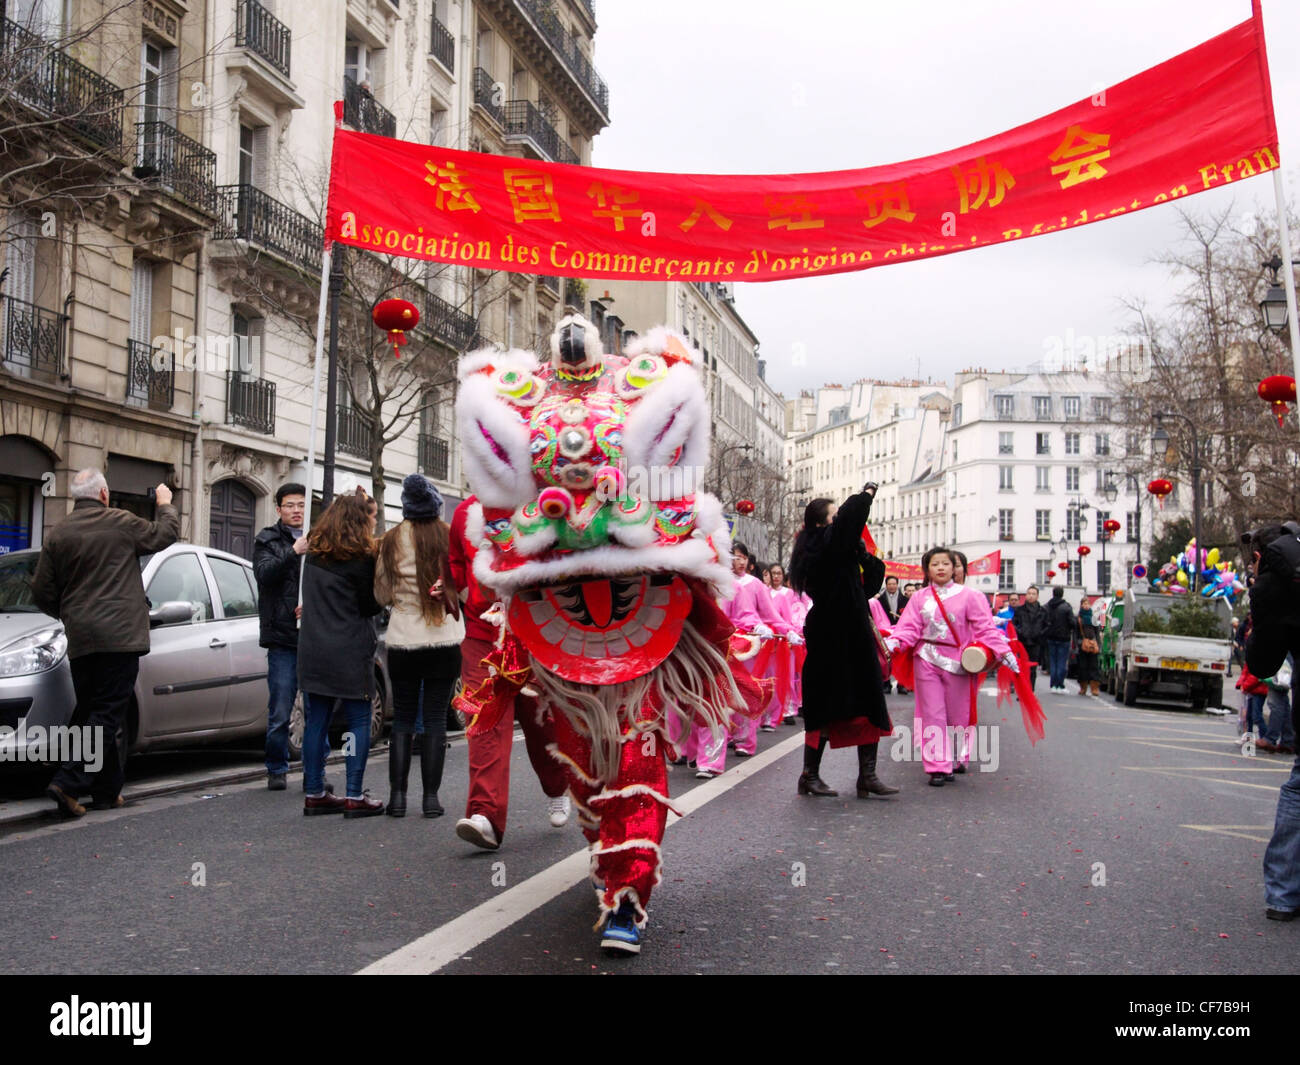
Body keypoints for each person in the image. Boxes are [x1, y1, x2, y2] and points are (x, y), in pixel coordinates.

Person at [31, 468, 179, 816]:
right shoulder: (120, 522)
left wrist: (68, 613)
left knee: (92, 711)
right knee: (108, 712)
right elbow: (165, 535)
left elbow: (40, 591)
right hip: (120, 637)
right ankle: (67, 782)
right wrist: (165, 504)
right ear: (103, 495)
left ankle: (107, 790)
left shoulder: (58, 534)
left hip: (81, 638)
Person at [450, 495, 570, 851]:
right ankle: (484, 814)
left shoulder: (548, 504)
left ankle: (557, 784)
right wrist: (447, 584)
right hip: (483, 633)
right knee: (484, 721)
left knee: (541, 721)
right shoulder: (465, 512)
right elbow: (456, 563)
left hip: (535, 632)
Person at [787, 486, 898, 798]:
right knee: (823, 705)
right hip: (830, 633)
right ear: (822, 524)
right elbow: (848, 521)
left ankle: (868, 775)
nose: (841, 522)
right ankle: (809, 775)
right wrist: (865, 495)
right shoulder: (819, 545)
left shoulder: (841, 548)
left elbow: (867, 586)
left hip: (854, 630)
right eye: (834, 517)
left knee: (868, 700)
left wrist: (863, 555)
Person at [886, 547, 1017, 786]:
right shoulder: (919, 597)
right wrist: (895, 641)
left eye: (946, 564)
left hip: (959, 662)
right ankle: (938, 766)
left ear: (954, 568)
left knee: (958, 714)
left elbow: (985, 628)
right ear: (928, 570)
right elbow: (909, 628)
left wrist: (1003, 651)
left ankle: (957, 757)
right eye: (935, 564)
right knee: (932, 713)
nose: (941, 568)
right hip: (925, 657)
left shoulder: (971, 596)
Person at [374, 474, 464, 818]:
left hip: (404, 640)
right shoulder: (447, 536)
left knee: (403, 721)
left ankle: (397, 799)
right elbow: (464, 588)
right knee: (436, 718)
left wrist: (400, 600)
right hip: (444, 638)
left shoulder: (391, 540)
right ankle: (431, 799)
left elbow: (381, 592)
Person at [298, 492, 384, 818]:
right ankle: (353, 793)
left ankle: (314, 791)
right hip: (349, 649)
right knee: (357, 721)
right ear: (360, 520)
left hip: (313, 649)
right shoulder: (362, 559)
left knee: (316, 722)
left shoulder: (315, 554)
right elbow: (370, 605)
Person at [692, 542, 792, 777]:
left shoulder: (754, 584)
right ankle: (700, 756)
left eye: (743, 557)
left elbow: (771, 615)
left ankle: (742, 742)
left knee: (741, 693)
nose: (739, 561)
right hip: (711, 645)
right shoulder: (709, 581)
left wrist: (784, 630)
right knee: (709, 700)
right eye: (735, 556)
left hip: (745, 645)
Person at [253, 482, 313, 792]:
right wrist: (293, 552)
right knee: (280, 709)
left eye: (301, 505)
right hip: (281, 638)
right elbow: (265, 575)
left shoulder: (317, 540)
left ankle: (315, 770)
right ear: (279, 509)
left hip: (312, 639)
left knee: (316, 709)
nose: (296, 511)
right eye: (290, 505)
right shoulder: (267, 540)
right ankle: (276, 767)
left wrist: (313, 605)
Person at [1012, 585, 1048, 691]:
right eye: (1029, 593)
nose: (1031, 596)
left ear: (1037, 596)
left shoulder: (1042, 611)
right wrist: (1021, 632)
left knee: (1032, 668)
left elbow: (1047, 625)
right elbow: (1014, 624)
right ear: (1026, 595)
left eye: (1033, 594)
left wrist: (1040, 634)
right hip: (1023, 641)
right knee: (1022, 667)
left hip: (1036, 642)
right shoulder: (1020, 610)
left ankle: (1030, 690)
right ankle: (1022, 690)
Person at [1044, 585, 1075, 691]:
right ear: (1062, 594)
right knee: (1061, 662)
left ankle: (1053, 684)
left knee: (1053, 661)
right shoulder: (1066, 607)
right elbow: (1072, 622)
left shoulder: (1047, 606)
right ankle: (1059, 684)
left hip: (1050, 637)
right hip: (1064, 637)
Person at [1076, 599, 1101, 696]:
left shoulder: (1093, 618)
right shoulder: (1079, 618)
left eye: (1088, 604)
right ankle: (1083, 687)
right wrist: (1078, 643)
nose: (1086, 606)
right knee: (1083, 667)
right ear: (1081, 605)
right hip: (1082, 644)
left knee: (1094, 666)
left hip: (1092, 644)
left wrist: (1098, 643)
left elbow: (1097, 632)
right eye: (1084, 604)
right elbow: (1076, 632)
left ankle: (1094, 688)